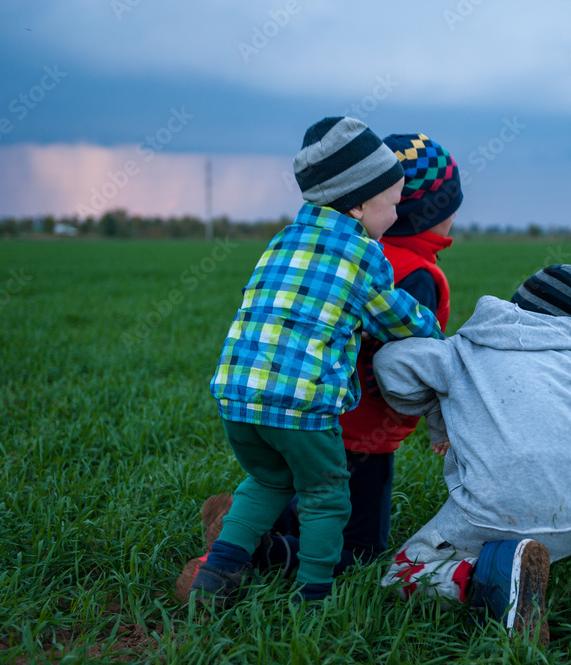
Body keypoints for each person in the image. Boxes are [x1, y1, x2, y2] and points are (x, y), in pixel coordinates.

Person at [175, 133, 463, 602]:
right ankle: (309, 594)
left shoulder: (285, 239)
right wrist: (442, 338)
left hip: (237, 396)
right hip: (315, 413)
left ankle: (219, 565)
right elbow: (401, 323)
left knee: (272, 479)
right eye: (391, 202)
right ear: (357, 208)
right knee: (338, 511)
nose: (394, 214)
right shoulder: (371, 258)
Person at [373, 265, 571, 644]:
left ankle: (485, 581)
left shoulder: (464, 351)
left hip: (492, 510)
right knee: (535, 530)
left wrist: (435, 411)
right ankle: (520, 566)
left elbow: (389, 362)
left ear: (513, 306)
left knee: (399, 575)